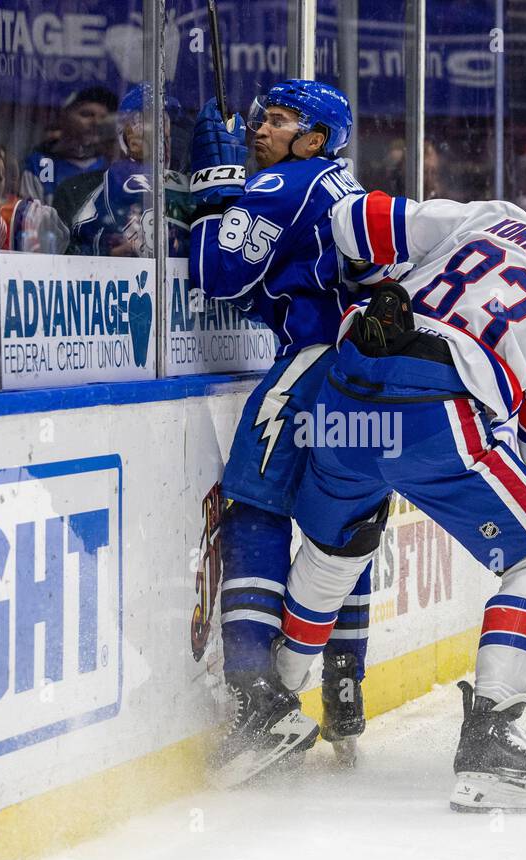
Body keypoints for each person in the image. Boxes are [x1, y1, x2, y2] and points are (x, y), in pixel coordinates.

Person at [251, 174, 526, 808]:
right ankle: (491, 741)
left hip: (346, 389)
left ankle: (265, 711)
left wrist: (376, 286)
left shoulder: (496, 216)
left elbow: (356, 219)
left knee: (340, 548)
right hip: (435, 415)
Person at [190, 79, 383, 784]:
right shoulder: (344, 189)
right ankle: (343, 686)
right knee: (340, 531)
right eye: (261, 118)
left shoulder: (287, 184)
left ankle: (258, 704)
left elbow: (216, 273)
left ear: (315, 138)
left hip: (311, 368)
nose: (258, 130)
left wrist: (214, 197)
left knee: (256, 508)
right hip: (368, 383)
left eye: (277, 121)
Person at [58, 84, 190, 257]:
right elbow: (63, 257)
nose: (164, 139)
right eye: (146, 125)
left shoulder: (183, 190)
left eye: (165, 137)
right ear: (120, 136)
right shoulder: (77, 191)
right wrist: (108, 254)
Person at [20, 87, 119, 204]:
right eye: (86, 114)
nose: (96, 122)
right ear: (63, 117)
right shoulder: (37, 165)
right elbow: (30, 218)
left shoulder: (112, 166)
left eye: (103, 117)